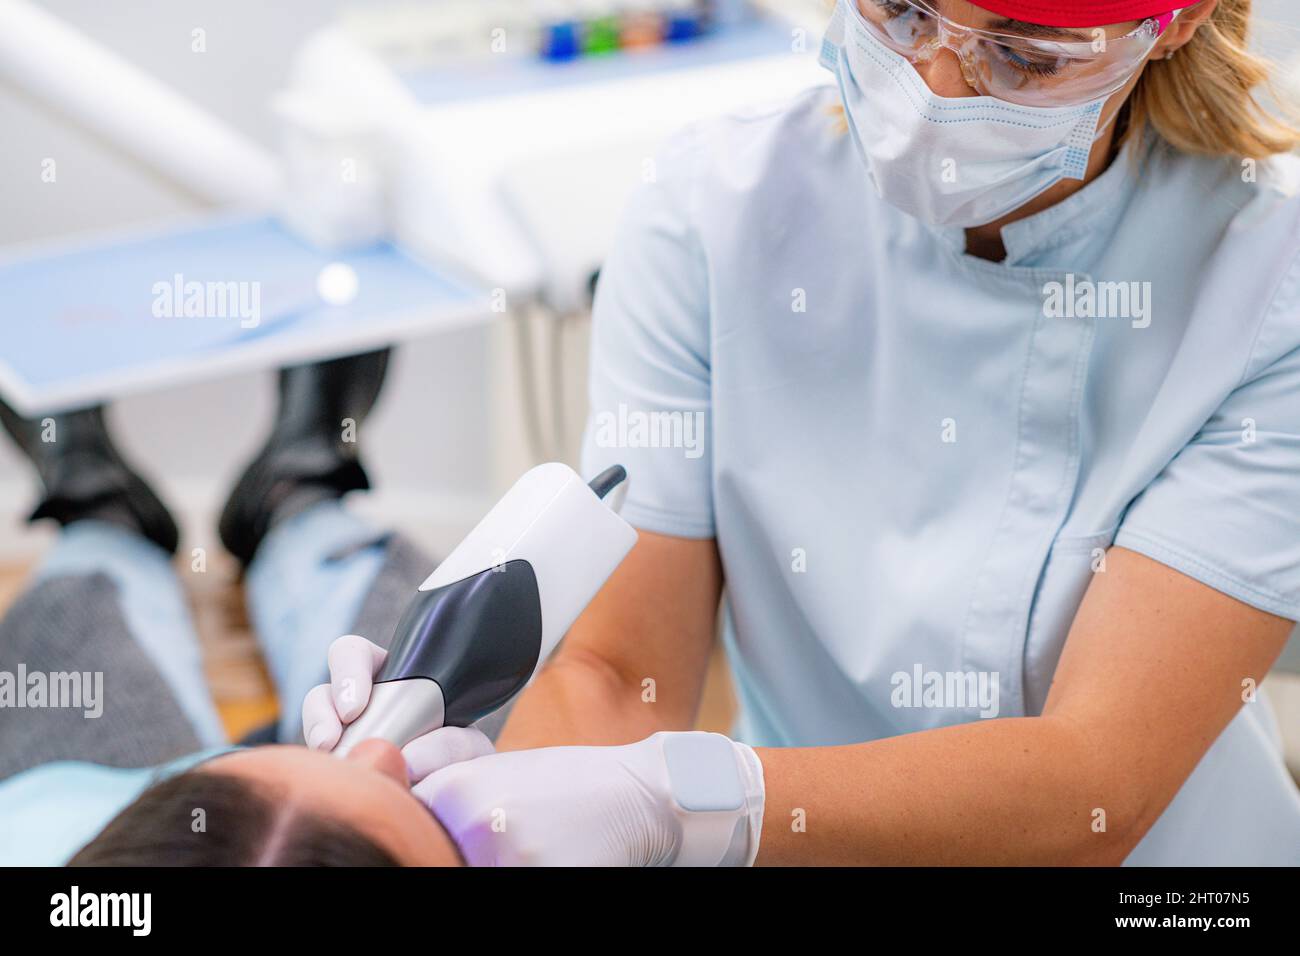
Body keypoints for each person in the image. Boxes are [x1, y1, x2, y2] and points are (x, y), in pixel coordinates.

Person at [312, 0, 1300, 866]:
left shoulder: (1266, 286)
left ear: (1175, 24)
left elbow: (1095, 787)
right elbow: (618, 674)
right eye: (902, 9)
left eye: (1025, 57)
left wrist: (678, 797)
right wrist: (476, 812)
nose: (935, 87)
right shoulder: (712, 211)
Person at [0, 351, 467, 866]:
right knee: (418, 623)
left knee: (79, 605)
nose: (381, 753)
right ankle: (298, 491)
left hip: (77, 816)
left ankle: (95, 503)